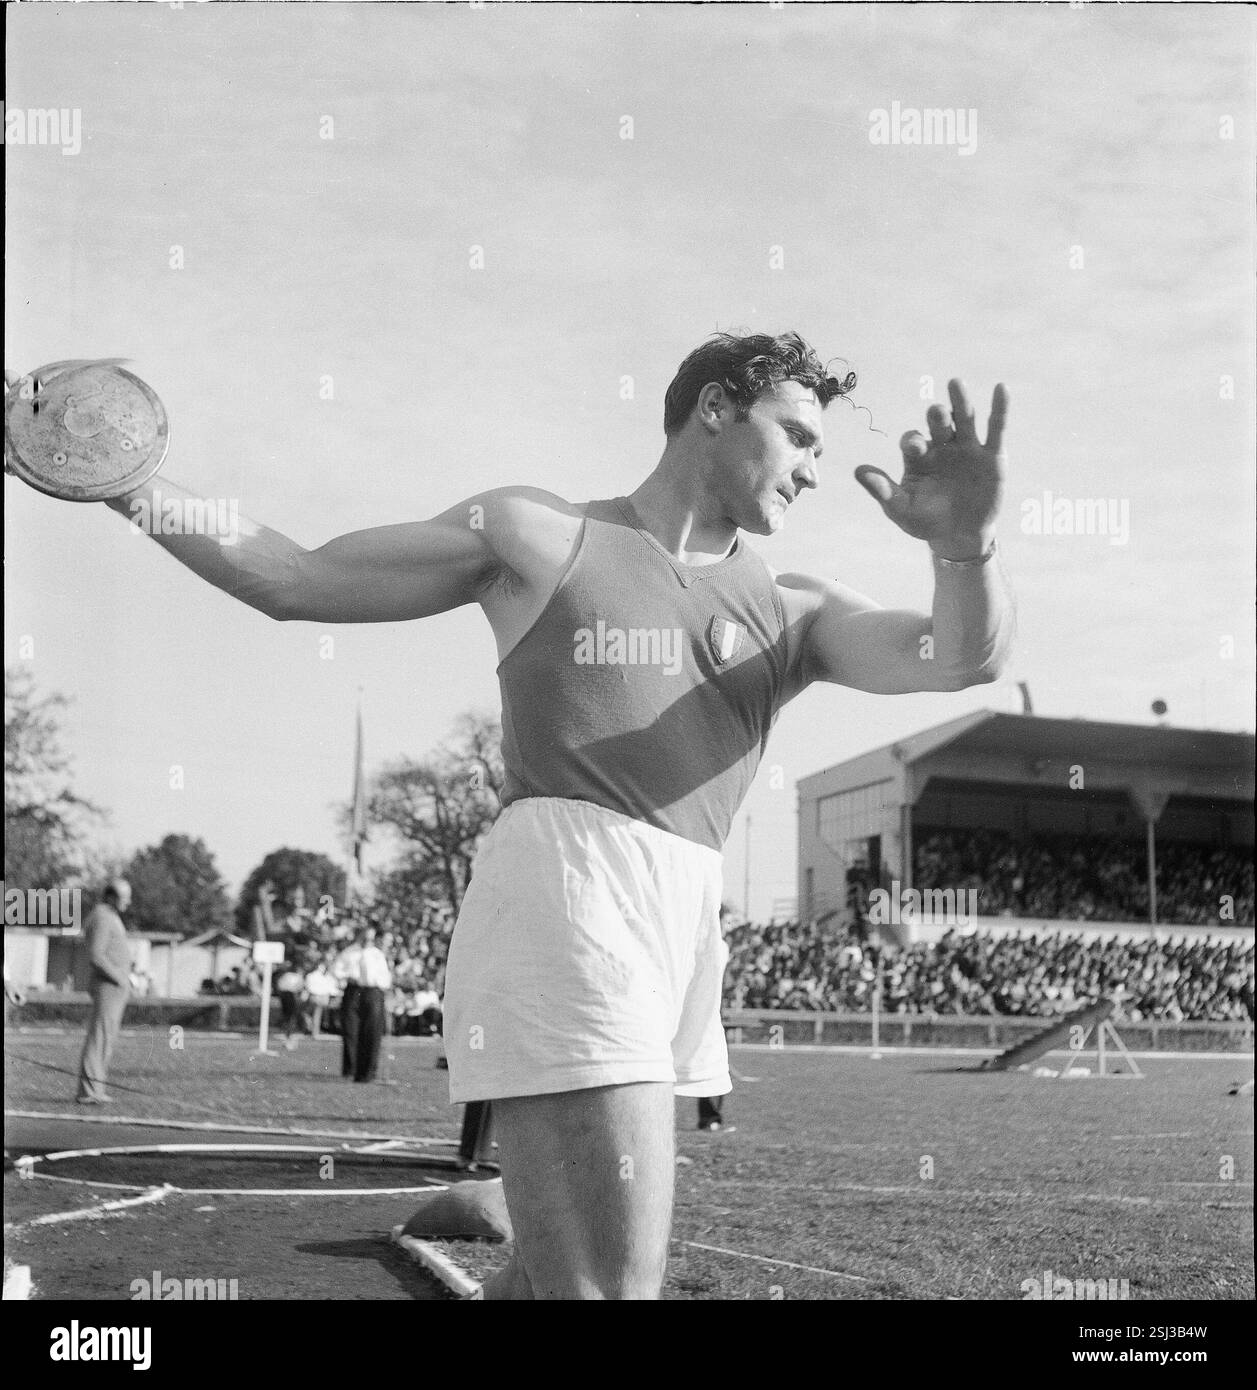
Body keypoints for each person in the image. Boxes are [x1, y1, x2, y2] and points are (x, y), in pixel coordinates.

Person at [88, 330, 1012, 1297]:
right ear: (713, 408)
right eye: (797, 435)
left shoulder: (795, 607)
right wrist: (117, 471)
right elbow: (292, 576)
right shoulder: (538, 534)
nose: (814, 470)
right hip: (570, 892)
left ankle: (492, 1212)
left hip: (681, 919)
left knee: (551, 1282)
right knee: (610, 1290)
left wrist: (964, 550)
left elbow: (958, 658)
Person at [76, 878, 134, 1105]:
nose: (128, 902)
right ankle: (89, 1091)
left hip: (114, 986)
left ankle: (95, 1089)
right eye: (124, 897)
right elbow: (96, 955)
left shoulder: (110, 916)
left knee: (105, 1038)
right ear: (111, 896)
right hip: (108, 985)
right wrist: (119, 977)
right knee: (99, 1037)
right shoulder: (102, 917)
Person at [333, 927, 392, 1082]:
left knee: (372, 1031)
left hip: (373, 992)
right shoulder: (349, 952)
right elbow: (336, 970)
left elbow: (385, 977)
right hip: (354, 990)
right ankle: (351, 1069)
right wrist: (348, 976)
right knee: (351, 1031)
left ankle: (368, 1071)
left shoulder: (376, 955)